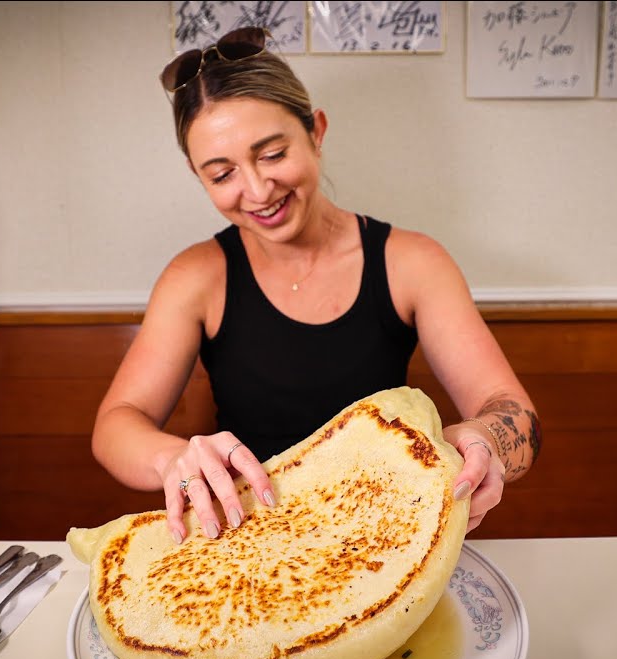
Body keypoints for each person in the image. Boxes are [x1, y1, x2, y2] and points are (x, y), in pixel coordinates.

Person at [91, 26, 541, 544]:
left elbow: (515, 411)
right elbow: (115, 425)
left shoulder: (412, 262)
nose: (258, 191)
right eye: (222, 175)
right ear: (199, 176)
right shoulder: (196, 277)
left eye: (273, 154)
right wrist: (173, 457)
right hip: (248, 539)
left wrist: (486, 438)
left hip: (386, 536)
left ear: (316, 131)